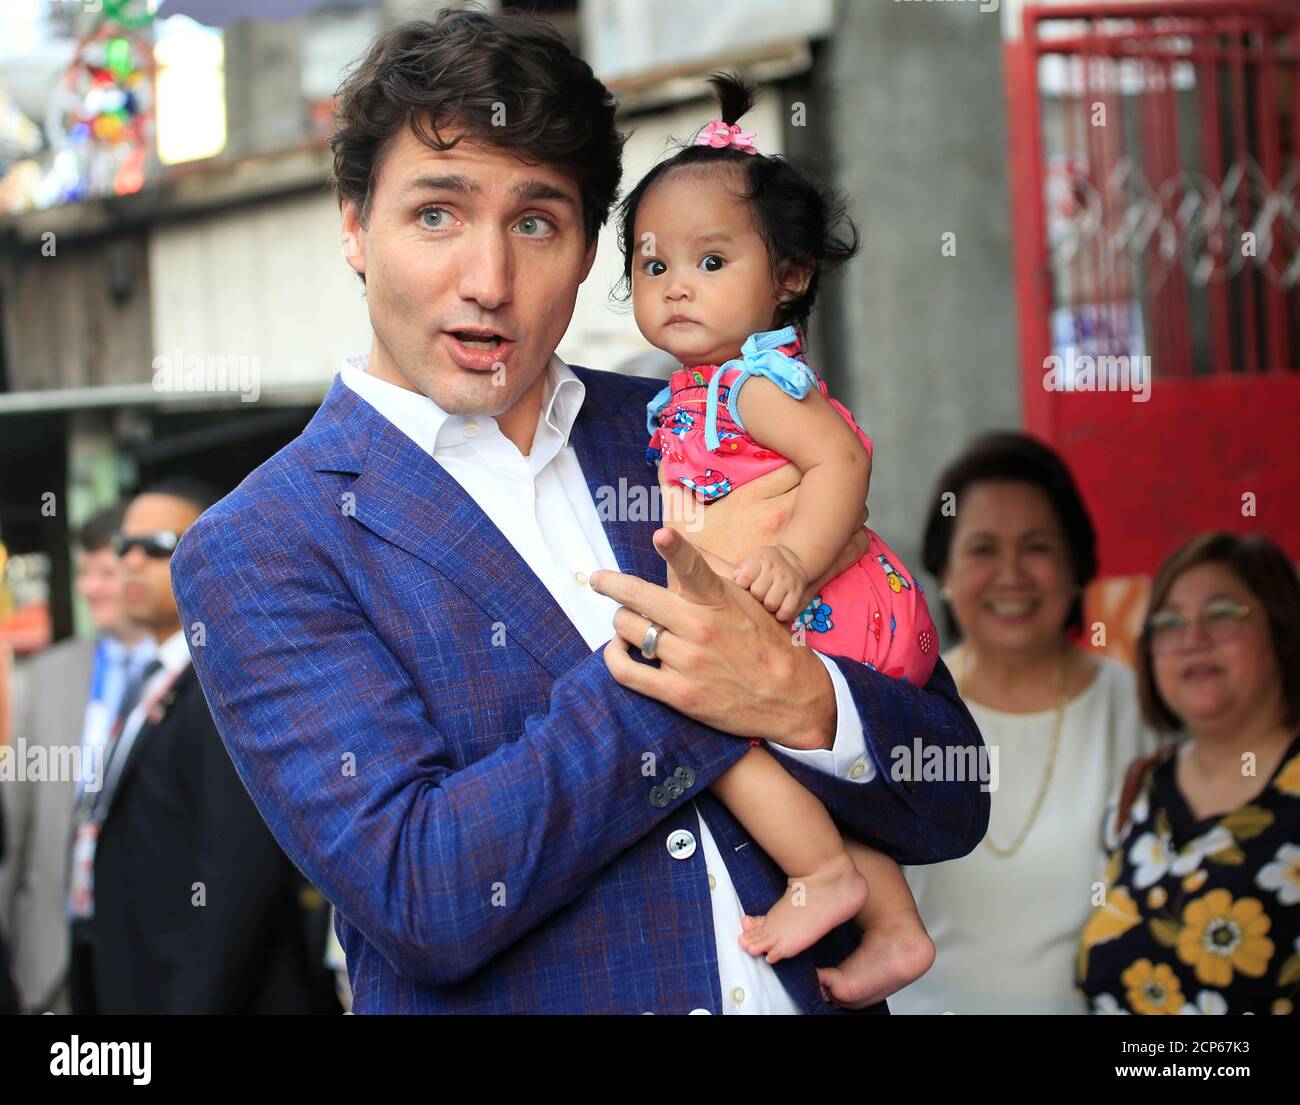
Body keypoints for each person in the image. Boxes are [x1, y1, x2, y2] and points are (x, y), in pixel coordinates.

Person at [169, 9, 989, 1015]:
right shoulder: (262, 544)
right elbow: (425, 897)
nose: (488, 281)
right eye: (436, 214)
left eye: (535, 223)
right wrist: (678, 655)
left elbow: (954, 791)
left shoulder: (690, 423)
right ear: (352, 225)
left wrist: (804, 699)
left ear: (592, 243)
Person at [624, 73, 938, 1006]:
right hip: (807, 610)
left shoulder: (754, 383)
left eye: (711, 263)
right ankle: (894, 924)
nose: (677, 285)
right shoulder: (690, 394)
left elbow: (842, 460)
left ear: (790, 276)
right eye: (652, 265)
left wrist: (794, 559)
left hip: (833, 604)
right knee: (772, 736)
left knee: (713, 720)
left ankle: (826, 878)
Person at [889, 432, 1161, 1014]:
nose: (1011, 574)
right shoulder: (896, 709)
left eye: (1037, 546)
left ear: (1077, 567)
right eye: (983, 549)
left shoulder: (1141, 710)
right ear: (944, 571)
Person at [68, 479, 338, 1014]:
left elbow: (237, 876)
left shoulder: (230, 683)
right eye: (124, 546)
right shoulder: (151, 678)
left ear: (214, 547)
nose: (132, 563)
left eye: (159, 545)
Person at [1078, 532, 1300, 1015]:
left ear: (1283, 629)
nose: (1192, 640)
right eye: (1169, 623)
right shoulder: (1138, 790)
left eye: (1221, 616)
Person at [0, 504, 157, 1014]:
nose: (90, 588)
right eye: (84, 572)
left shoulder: (193, 671)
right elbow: (15, 830)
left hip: (155, 955)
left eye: (104, 572)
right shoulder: (44, 678)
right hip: (54, 965)